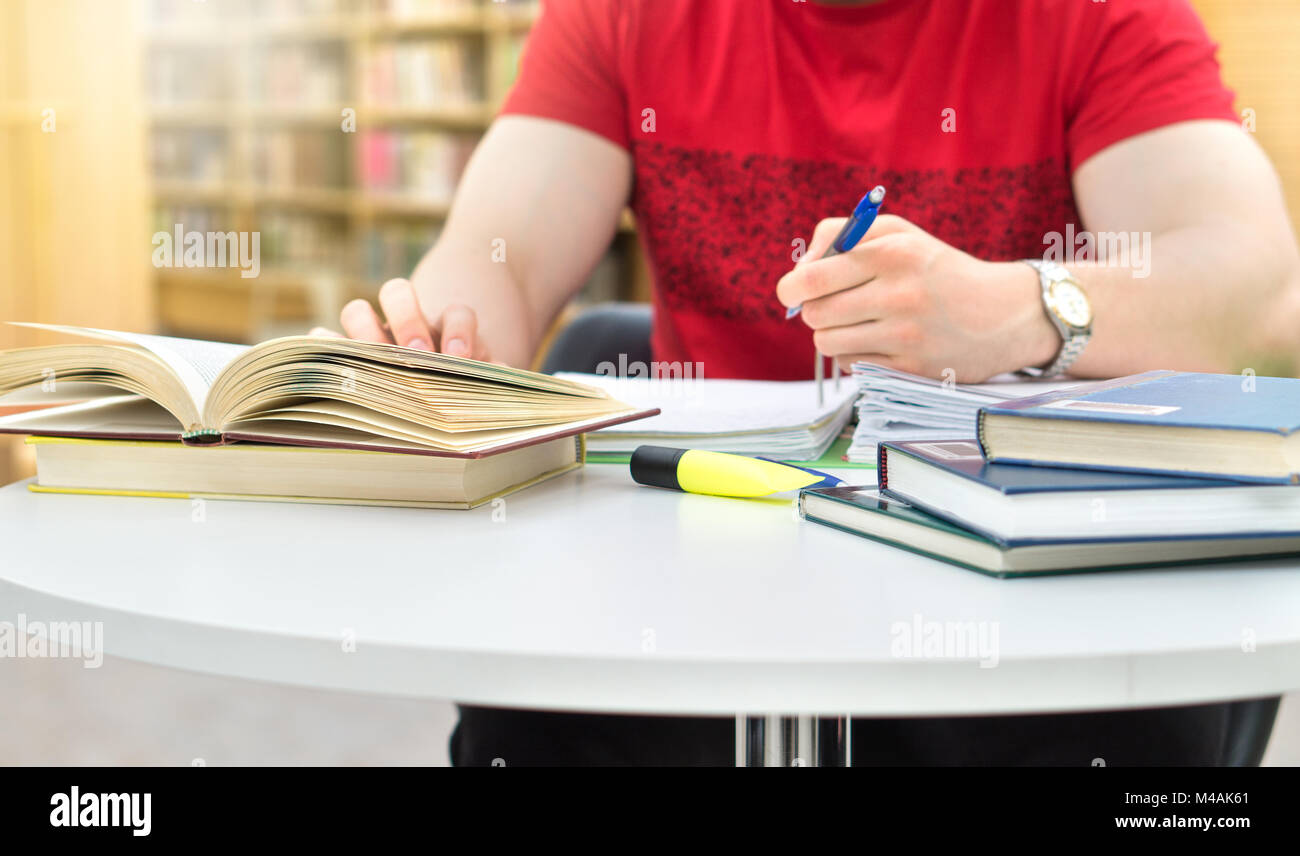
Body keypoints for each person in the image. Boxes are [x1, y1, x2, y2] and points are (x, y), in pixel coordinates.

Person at [317, 0, 1299, 765]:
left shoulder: (1095, 16)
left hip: (1006, 586)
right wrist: (437, 341)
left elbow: (1257, 292)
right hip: (698, 564)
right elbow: (501, 260)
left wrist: (1015, 309)